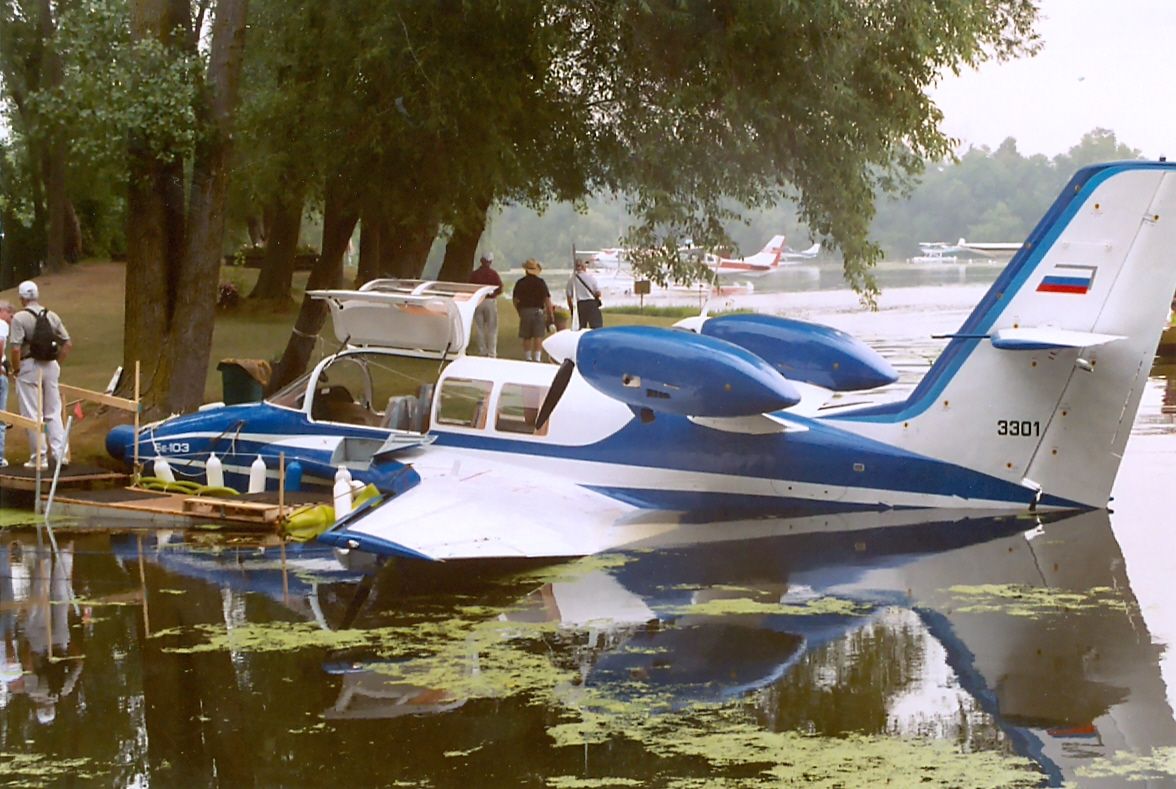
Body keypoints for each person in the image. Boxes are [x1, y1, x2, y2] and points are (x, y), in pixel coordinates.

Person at [9, 281, 71, 469]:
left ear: (22, 298)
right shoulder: (51, 315)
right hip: (51, 367)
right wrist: (57, 364)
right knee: (53, 412)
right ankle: (61, 455)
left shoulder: (19, 318)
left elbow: (15, 349)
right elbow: (67, 343)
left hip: (29, 366)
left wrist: (17, 369)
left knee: (32, 413)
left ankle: (39, 458)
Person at [512, 259, 554, 362]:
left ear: (525, 270)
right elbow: (547, 300)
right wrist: (550, 315)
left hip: (525, 311)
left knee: (526, 335)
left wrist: (519, 311)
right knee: (538, 335)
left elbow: (515, 300)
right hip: (538, 311)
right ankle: (537, 357)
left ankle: (528, 357)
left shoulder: (520, 283)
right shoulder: (541, 282)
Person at [469, 252, 503, 357]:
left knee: (480, 327)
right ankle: (492, 352)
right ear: (490, 262)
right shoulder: (493, 274)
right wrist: (495, 294)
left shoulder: (474, 274)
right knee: (492, 327)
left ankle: (482, 350)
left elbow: (470, 287)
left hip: (478, 301)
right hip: (490, 301)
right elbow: (500, 288)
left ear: (481, 261)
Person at [566, 260, 604, 329]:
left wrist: (572, 310)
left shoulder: (571, 280)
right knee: (596, 328)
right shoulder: (591, 278)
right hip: (592, 304)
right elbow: (598, 293)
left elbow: (569, 298)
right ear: (584, 267)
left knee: (579, 329)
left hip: (580, 305)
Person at [0, 301, 13, 468]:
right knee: (1, 416)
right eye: (11, 316)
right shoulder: (2, 324)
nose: (11, 320)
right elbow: (0, 343)